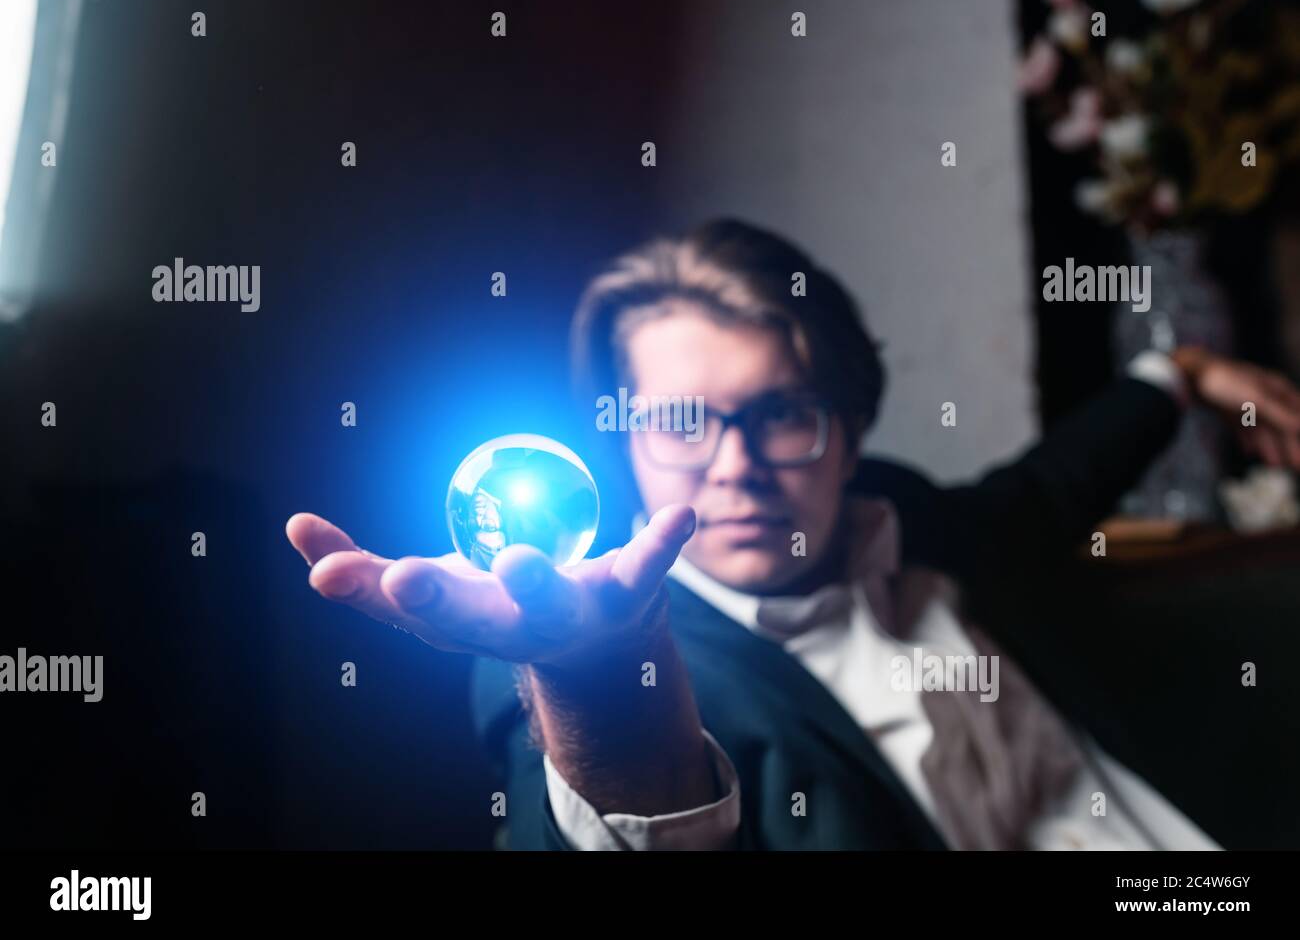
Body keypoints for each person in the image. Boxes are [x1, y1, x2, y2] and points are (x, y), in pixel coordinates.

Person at [286, 219, 1300, 849]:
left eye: (778, 413)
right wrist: (596, 681)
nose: (733, 464)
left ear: (848, 429)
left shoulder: (906, 514)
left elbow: (1044, 488)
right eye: (680, 419)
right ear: (623, 436)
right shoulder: (557, 655)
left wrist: (1182, 374)